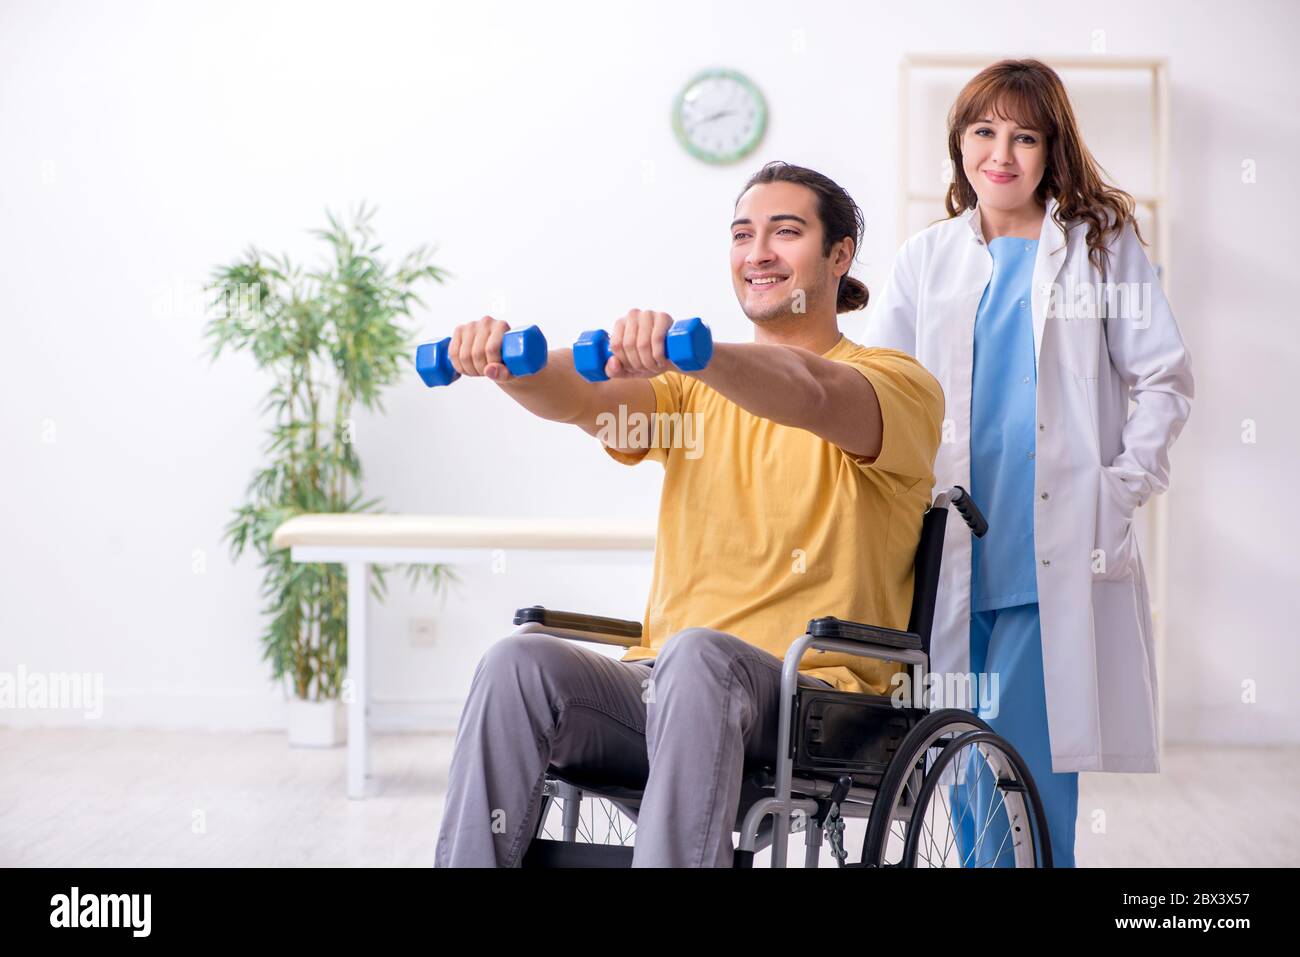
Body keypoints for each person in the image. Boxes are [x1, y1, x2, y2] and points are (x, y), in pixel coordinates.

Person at [435, 161, 944, 867]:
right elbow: (583, 399)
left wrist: (696, 355)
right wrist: (506, 365)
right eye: (742, 234)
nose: (757, 251)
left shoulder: (898, 384)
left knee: (698, 653)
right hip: (662, 690)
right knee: (515, 663)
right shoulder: (689, 396)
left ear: (839, 255)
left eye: (785, 231)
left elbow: (811, 392)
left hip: (817, 700)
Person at [864, 59, 1194, 867]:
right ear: (960, 143)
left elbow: (1165, 378)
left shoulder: (1100, 249)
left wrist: (1118, 492)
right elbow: (887, 400)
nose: (1001, 153)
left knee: (1030, 771)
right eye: (984, 132)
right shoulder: (925, 258)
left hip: (1054, 551)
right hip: (947, 549)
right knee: (961, 758)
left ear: (1052, 150)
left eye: (1024, 136)